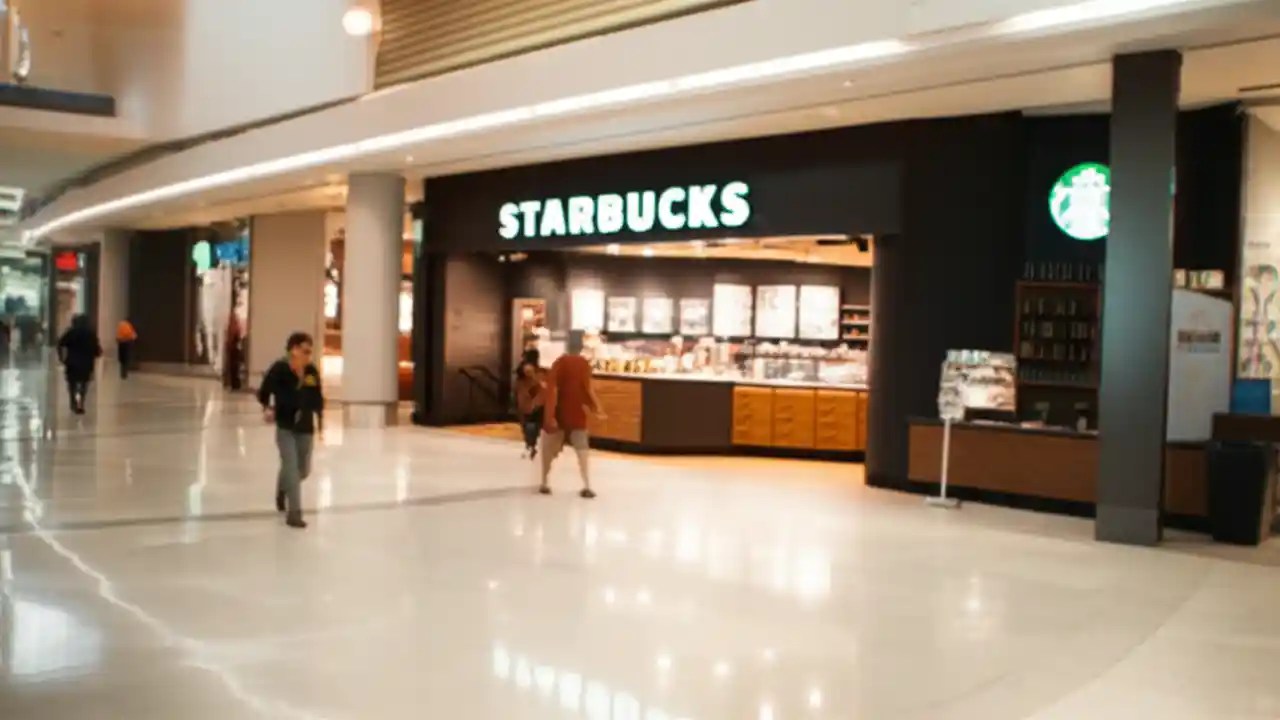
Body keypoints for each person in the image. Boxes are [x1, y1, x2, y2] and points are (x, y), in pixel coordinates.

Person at [257, 332, 324, 529]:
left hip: (305, 428)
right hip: (285, 427)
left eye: (310, 352)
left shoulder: (311, 371)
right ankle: (294, 514)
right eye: (305, 351)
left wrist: (320, 420)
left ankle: (282, 489)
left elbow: (317, 397)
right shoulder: (279, 369)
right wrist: (268, 408)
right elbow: (264, 392)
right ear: (293, 350)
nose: (308, 356)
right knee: (292, 468)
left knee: (303, 470)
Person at [540, 336, 605, 498]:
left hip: (560, 412)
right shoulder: (584, 364)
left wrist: (550, 415)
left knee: (549, 450)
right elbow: (587, 389)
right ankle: (587, 485)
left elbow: (552, 389)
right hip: (577, 414)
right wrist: (596, 407)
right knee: (582, 450)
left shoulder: (559, 363)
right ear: (581, 347)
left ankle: (544, 482)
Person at [56, 314, 102, 415]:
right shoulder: (90, 334)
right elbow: (97, 349)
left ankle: (73, 402)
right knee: (84, 385)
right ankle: (81, 403)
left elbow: (60, 343)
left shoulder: (71, 332)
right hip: (86, 363)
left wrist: (61, 357)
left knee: (72, 384)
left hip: (72, 362)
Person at [514, 351, 544, 460]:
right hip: (530, 403)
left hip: (526, 403)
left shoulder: (523, 371)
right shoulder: (536, 372)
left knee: (528, 426)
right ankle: (531, 446)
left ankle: (530, 446)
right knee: (531, 427)